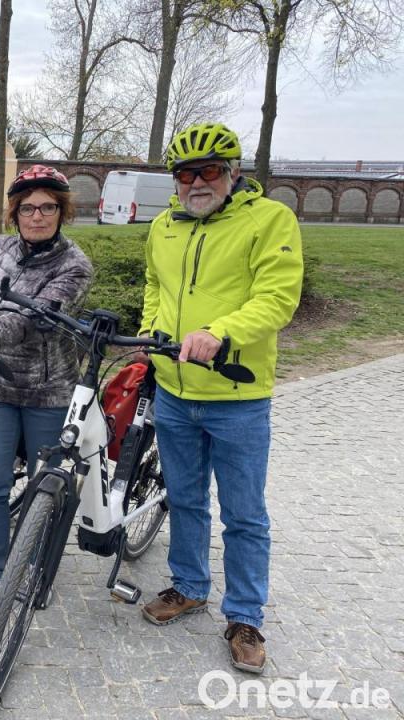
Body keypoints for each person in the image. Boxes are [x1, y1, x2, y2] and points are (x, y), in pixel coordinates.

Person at [138, 123, 303, 673]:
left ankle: (245, 614)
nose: (196, 182)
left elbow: (277, 297)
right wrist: (147, 335)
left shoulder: (270, 220)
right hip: (173, 391)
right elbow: (155, 288)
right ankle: (188, 586)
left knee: (244, 513)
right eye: (186, 174)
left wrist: (221, 331)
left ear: (232, 173)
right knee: (183, 498)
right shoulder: (163, 226)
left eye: (209, 170)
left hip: (237, 395)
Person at [0, 165, 93, 620]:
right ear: (15, 212)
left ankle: (30, 569)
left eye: (48, 207)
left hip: (47, 392)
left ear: (62, 212)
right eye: (28, 208)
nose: (37, 216)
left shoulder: (74, 266)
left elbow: (36, 318)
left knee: (41, 488)